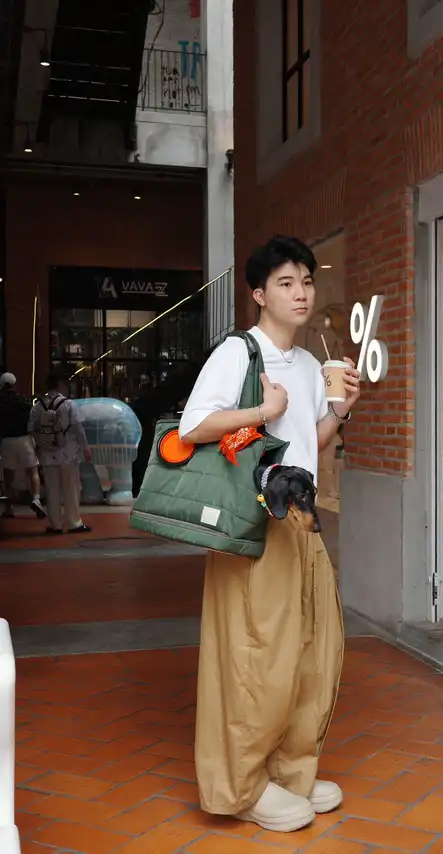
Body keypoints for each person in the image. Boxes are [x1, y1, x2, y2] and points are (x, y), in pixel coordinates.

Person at [179, 235, 360, 833]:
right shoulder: (240, 353)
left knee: (311, 652)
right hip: (255, 522)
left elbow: (307, 445)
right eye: (285, 283)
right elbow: (194, 426)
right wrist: (262, 410)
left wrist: (339, 410)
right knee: (256, 655)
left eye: (306, 280)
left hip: (301, 519)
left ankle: (292, 772)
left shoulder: (308, 363)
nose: (301, 292)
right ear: (259, 294)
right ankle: (244, 785)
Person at [29, 372, 93, 534]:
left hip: (47, 455)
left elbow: (31, 429)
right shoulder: (68, 404)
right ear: (60, 385)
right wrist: (85, 447)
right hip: (68, 454)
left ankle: (55, 525)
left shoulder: (38, 406)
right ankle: (74, 523)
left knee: (52, 491)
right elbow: (78, 428)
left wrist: (42, 443)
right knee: (71, 489)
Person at [0, 372, 46, 519]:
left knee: (8, 475)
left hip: (7, 440)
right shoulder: (24, 401)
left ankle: (9, 507)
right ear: (14, 384)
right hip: (25, 439)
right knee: (32, 470)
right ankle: (36, 499)